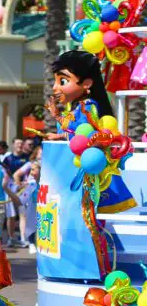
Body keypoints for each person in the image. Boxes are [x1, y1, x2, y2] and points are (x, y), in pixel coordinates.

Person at [45, 50, 135, 213]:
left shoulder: (87, 107)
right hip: (69, 169)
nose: (55, 87)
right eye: (56, 81)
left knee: (94, 219)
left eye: (63, 81)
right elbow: (71, 130)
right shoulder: (75, 108)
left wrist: (58, 127)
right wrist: (57, 117)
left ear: (86, 83)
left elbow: (82, 135)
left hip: (89, 171)